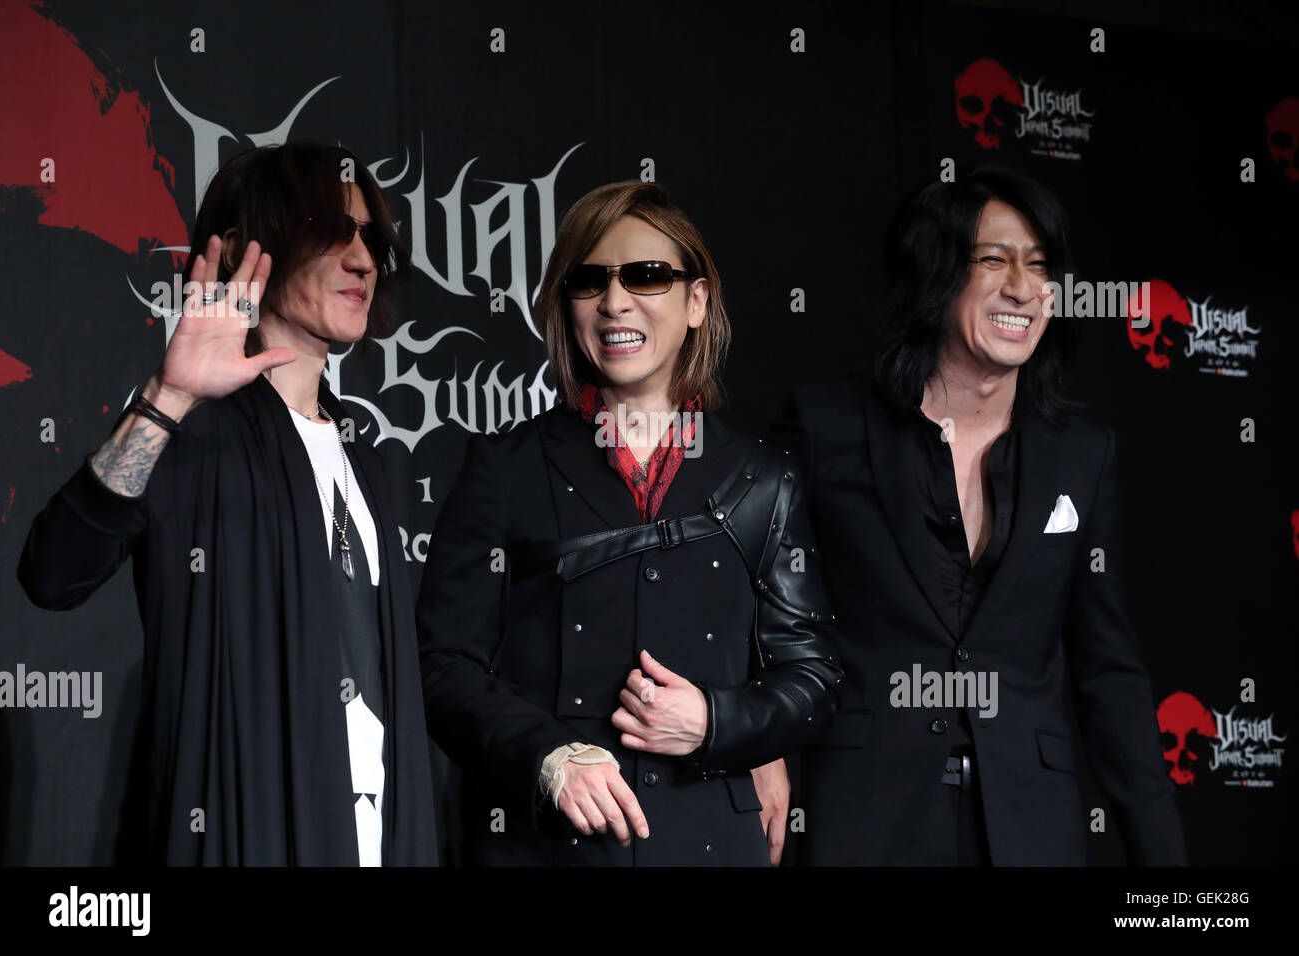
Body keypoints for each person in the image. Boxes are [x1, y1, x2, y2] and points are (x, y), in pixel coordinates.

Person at [18, 143, 438, 865]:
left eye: (371, 238)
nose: (364, 260)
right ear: (255, 249)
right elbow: (54, 572)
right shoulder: (192, 436)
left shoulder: (370, 464)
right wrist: (170, 397)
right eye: (335, 232)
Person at [417, 180, 841, 866]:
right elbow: (441, 669)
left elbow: (812, 679)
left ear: (696, 300)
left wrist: (715, 722)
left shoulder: (766, 479)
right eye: (590, 281)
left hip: (712, 845)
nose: (615, 302)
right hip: (544, 850)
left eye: (646, 275)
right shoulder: (505, 468)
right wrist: (546, 756)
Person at [773, 165, 1186, 866]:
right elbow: (765, 613)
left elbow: (1108, 669)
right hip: (865, 819)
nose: (1023, 288)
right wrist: (762, 755)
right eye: (993, 260)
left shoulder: (1083, 456)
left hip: (1033, 829)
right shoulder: (826, 427)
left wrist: (1167, 869)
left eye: (1040, 266)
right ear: (935, 277)